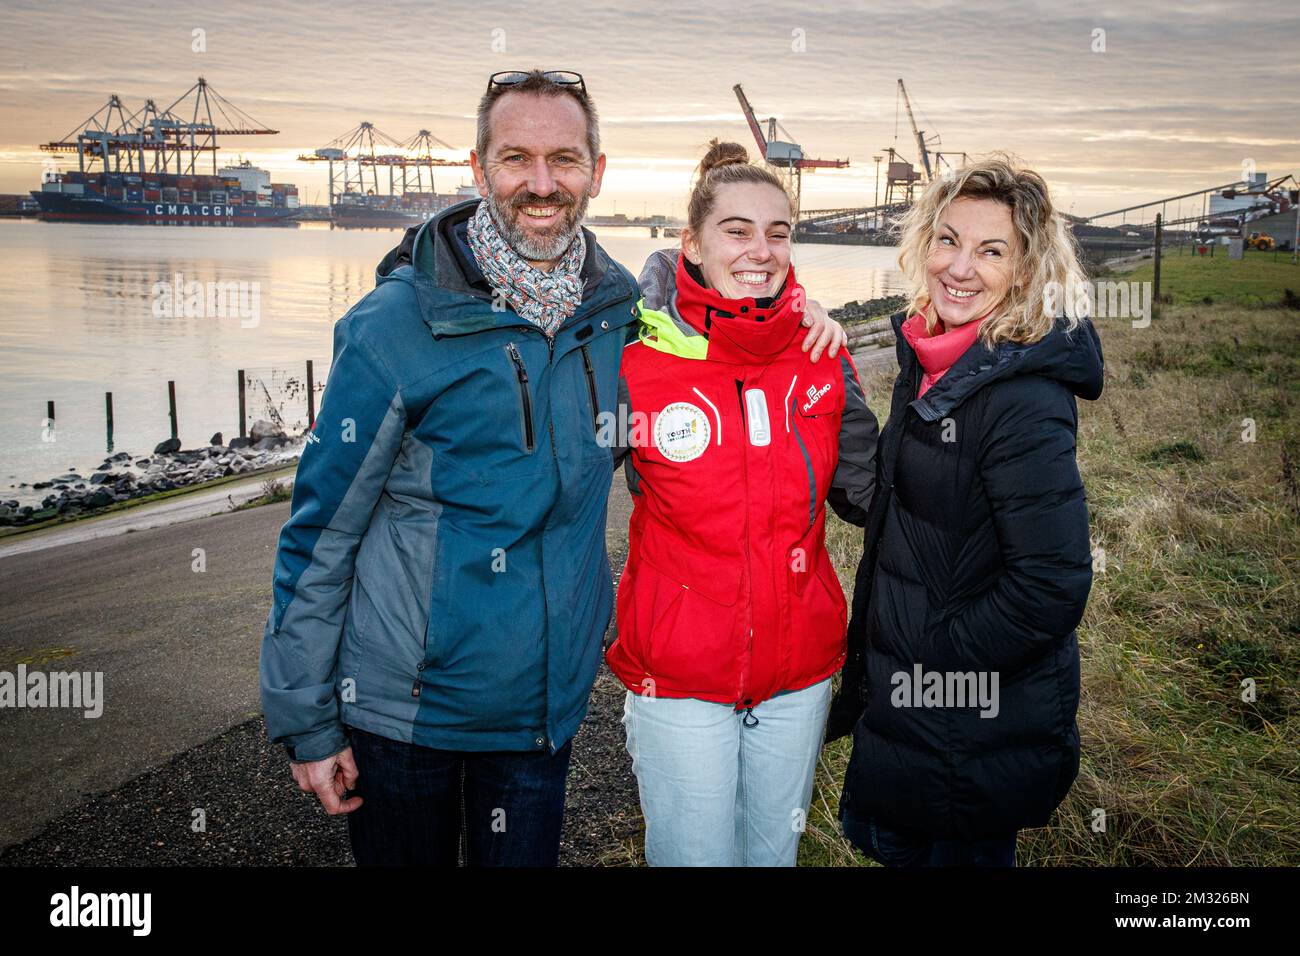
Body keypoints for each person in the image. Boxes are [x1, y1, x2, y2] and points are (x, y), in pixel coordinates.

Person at [258, 71, 846, 866]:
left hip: (539, 713)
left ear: (596, 172)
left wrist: (801, 315)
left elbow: (714, 330)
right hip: (405, 713)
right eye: (516, 159)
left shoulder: (615, 320)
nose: (542, 183)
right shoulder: (393, 326)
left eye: (564, 159)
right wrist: (309, 720)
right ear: (478, 167)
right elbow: (320, 533)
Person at [824, 156, 1104, 867]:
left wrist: (928, 655)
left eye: (991, 250)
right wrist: (819, 377)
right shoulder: (939, 355)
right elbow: (903, 502)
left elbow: (1051, 586)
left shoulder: (1021, 397)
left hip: (963, 726)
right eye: (948, 240)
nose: (960, 267)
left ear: (1027, 270)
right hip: (927, 719)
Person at [606, 140, 879, 866]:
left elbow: (873, 494)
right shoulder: (635, 359)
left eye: (778, 231)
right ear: (691, 244)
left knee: (772, 858)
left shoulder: (822, 354)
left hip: (800, 676)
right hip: (681, 679)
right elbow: (552, 492)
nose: (761, 249)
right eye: (737, 230)